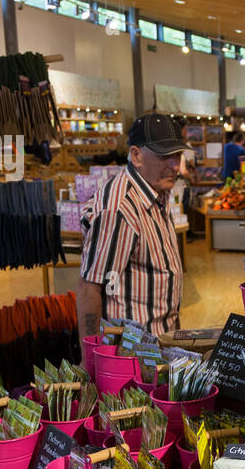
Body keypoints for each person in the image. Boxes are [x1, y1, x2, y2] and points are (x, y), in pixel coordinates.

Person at [78, 113, 186, 338]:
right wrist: (90, 357)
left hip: (158, 345)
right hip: (130, 356)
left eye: (178, 154)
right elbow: (91, 288)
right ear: (136, 156)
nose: (175, 165)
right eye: (165, 155)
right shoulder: (119, 210)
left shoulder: (156, 192)